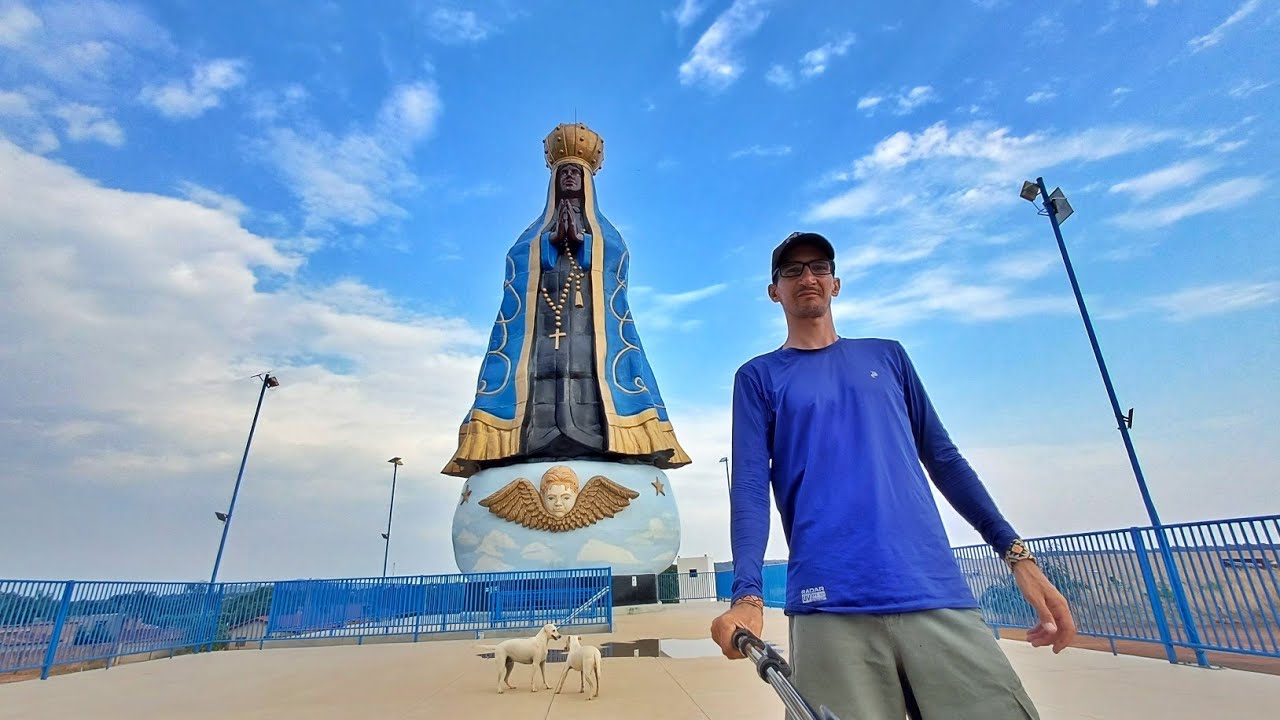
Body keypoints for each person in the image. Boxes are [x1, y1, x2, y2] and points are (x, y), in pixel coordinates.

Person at [709, 231, 1076, 719]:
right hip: (828, 602)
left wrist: (1017, 556)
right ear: (774, 291)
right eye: (792, 270)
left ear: (836, 283)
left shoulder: (888, 357)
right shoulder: (758, 377)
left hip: (932, 590)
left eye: (819, 267)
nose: (807, 277)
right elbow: (750, 489)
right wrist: (748, 595)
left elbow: (944, 459)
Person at [441, 123, 690, 478]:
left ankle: (597, 434)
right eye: (564, 172)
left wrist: (585, 243)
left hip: (589, 325)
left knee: (590, 373)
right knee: (539, 375)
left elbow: (617, 264)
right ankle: (530, 437)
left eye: (576, 172)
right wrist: (549, 242)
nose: (570, 177)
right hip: (541, 327)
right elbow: (515, 264)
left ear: (587, 181)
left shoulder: (604, 234)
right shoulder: (533, 234)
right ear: (554, 181)